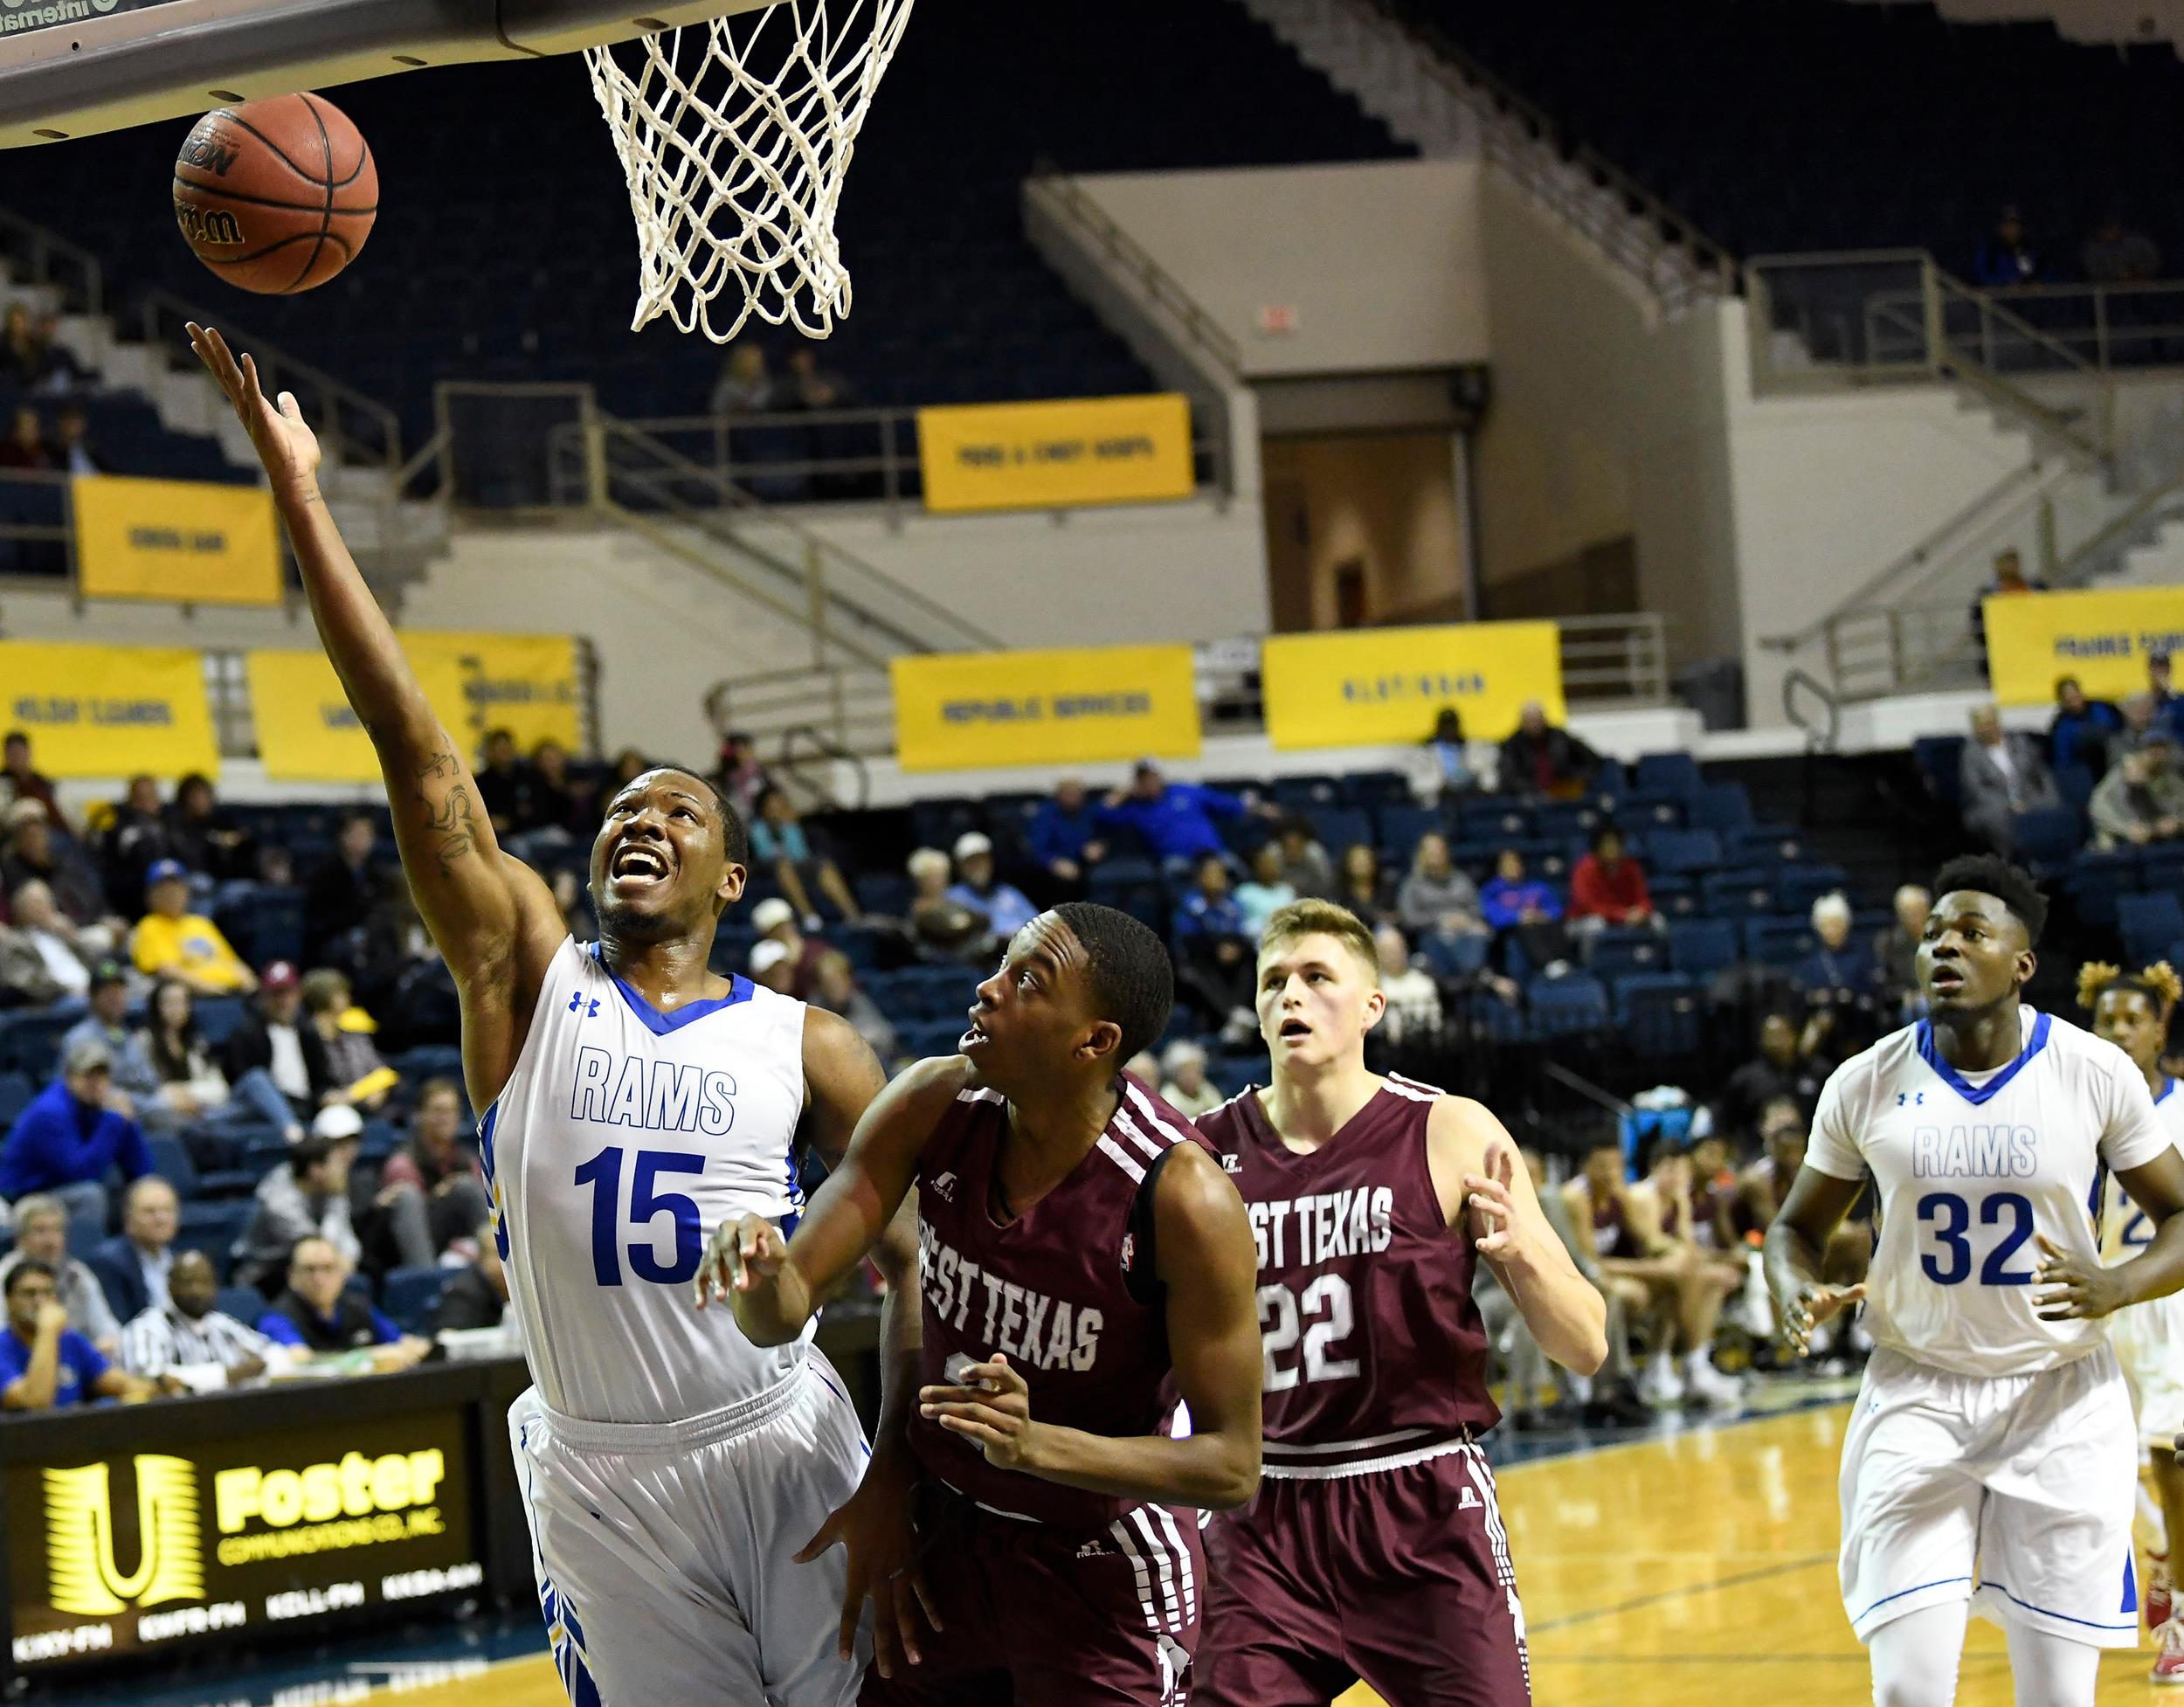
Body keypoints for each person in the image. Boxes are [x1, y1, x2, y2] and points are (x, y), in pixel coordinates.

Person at [192, 316, 909, 1706]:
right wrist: (301, 500)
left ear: (733, 872)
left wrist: (901, 1474)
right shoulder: (525, 974)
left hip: (787, 1437)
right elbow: (422, 759)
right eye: (622, 807)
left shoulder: (809, 1040)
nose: (641, 818)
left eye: (679, 809)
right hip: (603, 1478)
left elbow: (925, 1267)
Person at [700, 901, 1263, 1704]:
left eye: (1028, 981)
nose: (987, 988)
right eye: (1002, 963)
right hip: (945, 1547)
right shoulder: (933, 1100)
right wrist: (755, 1270)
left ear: (1094, 1043)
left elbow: (1233, 1464)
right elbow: (780, 1316)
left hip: (1100, 1569)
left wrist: (1036, 1445)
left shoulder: (1183, 1198)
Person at [1765, 855, 2184, 1707]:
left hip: (2058, 1395)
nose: (1943, 948)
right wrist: (1789, 1284)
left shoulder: (2090, 1071)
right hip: (1917, 1393)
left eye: (1969, 933)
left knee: (2057, 1698)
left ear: (2021, 964)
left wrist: (2118, 1282)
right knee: (1909, 1692)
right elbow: (1793, 1228)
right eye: (1931, 935)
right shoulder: (1866, 1079)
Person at [1185, 898, 1602, 1705]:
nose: (1291, 997)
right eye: (1274, 982)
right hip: (1263, 1514)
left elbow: (1585, 1344)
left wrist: (1523, 1261)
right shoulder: (1199, 1154)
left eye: (1316, 977)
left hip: (1420, 1499)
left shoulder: (1448, 1131)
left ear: (1373, 1005)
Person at [2077, 958, 2184, 1675]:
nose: (2116, 1032)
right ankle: (2161, 1554)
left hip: (2171, 1303)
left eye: (2130, 1020)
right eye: (2105, 1020)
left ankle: (2178, 1609)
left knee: (2171, 1461)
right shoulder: (2075, 1112)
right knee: (2101, 1468)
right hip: (2101, 1306)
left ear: (2159, 1029)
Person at [1563, 1136, 1742, 1407]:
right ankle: (1688, 1365)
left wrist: (1674, 1253)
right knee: (1666, 1281)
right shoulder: (1576, 1198)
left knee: (1687, 1280)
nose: (1612, 1172)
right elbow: (1589, 1262)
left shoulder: (1620, 1194)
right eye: (1604, 1166)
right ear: (1586, 1167)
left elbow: (1650, 1239)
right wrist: (1659, 1266)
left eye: (1617, 1165)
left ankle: (1677, 1366)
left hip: (1618, 1273)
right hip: (1581, 1277)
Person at [0, 1037, 153, 1234]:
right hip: (23, 1197)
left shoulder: (103, 1105)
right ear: (69, 1077)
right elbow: (79, 1172)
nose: (96, 1083)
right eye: (88, 1076)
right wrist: (113, 1121)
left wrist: (129, 1123)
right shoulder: (50, 1112)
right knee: (90, 1195)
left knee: (144, 1195)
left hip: (60, 1190)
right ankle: (88, 1254)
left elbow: (141, 1168)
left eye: (102, 1075)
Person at [138, 975, 297, 1137]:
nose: (177, 1008)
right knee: (154, 1107)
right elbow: (148, 1092)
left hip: (207, 1111)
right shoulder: (144, 1041)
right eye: (170, 1002)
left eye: (182, 1002)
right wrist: (172, 1096)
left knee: (254, 1092)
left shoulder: (197, 1042)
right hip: (168, 1112)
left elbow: (219, 1089)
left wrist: (186, 1092)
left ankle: (294, 1133)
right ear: (157, 1006)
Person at [255, 1234, 430, 1370]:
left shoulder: (358, 1306)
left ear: (342, 1274)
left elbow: (402, 1343)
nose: (319, 1278)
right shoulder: (276, 1318)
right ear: (292, 1275)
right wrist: (368, 1357)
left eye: (328, 1268)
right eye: (310, 1269)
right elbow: (302, 1363)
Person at [232, 1117, 363, 1294]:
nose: (343, 1169)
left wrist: (348, 1258)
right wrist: (339, 1261)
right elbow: (315, 1247)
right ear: (316, 1171)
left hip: (304, 1260)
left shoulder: (330, 1185)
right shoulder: (279, 1202)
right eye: (336, 1164)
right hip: (263, 1272)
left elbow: (346, 1236)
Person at [371, 1076, 492, 1270]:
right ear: (419, 1115)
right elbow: (410, 1217)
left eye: (451, 1111)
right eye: (438, 1111)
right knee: (408, 1196)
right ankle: (427, 1280)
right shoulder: (403, 1163)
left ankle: (494, 1268)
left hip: (456, 1244)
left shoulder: (467, 1160)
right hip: (402, 1250)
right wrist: (440, 1194)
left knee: (467, 1186)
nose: (446, 1118)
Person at [117, 1249, 280, 1392]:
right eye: (188, 1282)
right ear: (169, 1286)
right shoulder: (146, 1328)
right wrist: (228, 1375)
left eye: (205, 1282)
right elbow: (151, 1379)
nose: (197, 1291)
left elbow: (274, 1355)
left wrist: (264, 1363)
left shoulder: (221, 1324)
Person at [0, 1260, 156, 1408]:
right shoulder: (3, 1347)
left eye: (47, 1292)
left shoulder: (71, 1341)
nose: (40, 1301)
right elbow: (36, 1403)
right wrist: (47, 1331)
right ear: (8, 1300)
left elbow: (127, 1385)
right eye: (29, 1293)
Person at [0, 1193, 123, 1354]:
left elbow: (108, 1331)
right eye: (40, 1231)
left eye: (57, 1230)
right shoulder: (5, 1277)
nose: (50, 1241)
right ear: (20, 1238)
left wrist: (97, 1351)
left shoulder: (78, 1275)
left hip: (78, 1367)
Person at [218, 961, 326, 1137]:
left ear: (298, 995)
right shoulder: (246, 1032)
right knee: (257, 1079)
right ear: (263, 997)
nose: (283, 1001)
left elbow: (321, 1079)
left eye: (288, 994)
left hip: (305, 1106)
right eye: (276, 994)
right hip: (259, 1109)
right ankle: (294, 1133)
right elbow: (243, 1081)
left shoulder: (308, 1033)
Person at [1098, 761, 1260, 869]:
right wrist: (1123, 794)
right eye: (1144, 779)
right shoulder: (1137, 810)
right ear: (1137, 783)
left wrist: (1256, 807)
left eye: (1152, 776)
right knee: (1174, 869)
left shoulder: (1186, 791)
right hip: (1179, 862)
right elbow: (1104, 816)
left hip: (1212, 856)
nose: (1150, 782)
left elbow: (1227, 804)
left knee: (1236, 868)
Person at [131, 857, 258, 994]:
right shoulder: (150, 926)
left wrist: (250, 981)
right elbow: (166, 971)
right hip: (195, 999)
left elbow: (232, 962)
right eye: (164, 890)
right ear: (150, 896)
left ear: (186, 892)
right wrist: (209, 987)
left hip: (229, 994)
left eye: (176, 888)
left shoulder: (201, 923)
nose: (172, 895)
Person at [1711, 1011, 1833, 1149]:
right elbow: (1725, 1121)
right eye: (1770, 1035)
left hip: (1813, 1152)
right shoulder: (1746, 1078)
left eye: (1782, 1034)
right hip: (1757, 1155)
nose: (1777, 1041)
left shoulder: (1820, 1072)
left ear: (1795, 1035)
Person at [752, 785, 863, 925]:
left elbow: (800, 854)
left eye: (781, 803)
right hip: (770, 868)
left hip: (799, 864)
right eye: (773, 804)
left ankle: (853, 916)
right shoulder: (757, 829)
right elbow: (764, 855)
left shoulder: (792, 825)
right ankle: (810, 917)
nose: (778, 809)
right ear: (764, 809)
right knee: (783, 866)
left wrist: (788, 828)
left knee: (824, 866)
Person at [1171, 854, 1256, 1036]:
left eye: (1220, 875)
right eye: (1211, 874)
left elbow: (1241, 933)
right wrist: (1216, 949)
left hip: (1230, 959)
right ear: (1200, 878)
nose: (1217, 879)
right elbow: (1188, 939)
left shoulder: (1232, 904)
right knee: (1198, 969)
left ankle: (1239, 1014)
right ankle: (1232, 1016)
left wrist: (1235, 948)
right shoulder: (1190, 905)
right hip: (1200, 959)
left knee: (1250, 962)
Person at [1959, 705, 2061, 857]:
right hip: (1994, 805)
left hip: (2028, 797)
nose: (1989, 728)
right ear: (1976, 728)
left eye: (1991, 722)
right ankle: (2014, 859)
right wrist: (2010, 805)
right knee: (1998, 820)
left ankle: (2049, 856)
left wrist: (2050, 797)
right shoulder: (1971, 753)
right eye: (1983, 725)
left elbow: (2041, 772)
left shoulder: (2019, 741)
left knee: (2051, 806)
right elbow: (1977, 790)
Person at [3, 798, 112, 931]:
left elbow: (89, 897)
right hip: (47, 930)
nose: (34, 838)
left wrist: (104, 919)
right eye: (27, 833)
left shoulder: (63, 861)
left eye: (38, 830)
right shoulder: (11, 868)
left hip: (85, 923)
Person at [86, 1174, 179, 1328]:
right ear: (128, 1218)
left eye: (168, 1210)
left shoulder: (178, 1259)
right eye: (150, 1211)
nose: (160, 1219)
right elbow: (121, 1324)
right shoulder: (109, 1262)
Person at [301, 967, 397, 1112]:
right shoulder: (307, 1036)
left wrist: (377, 1091)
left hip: (365, 1103)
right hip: (329, 1107)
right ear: (326, 996)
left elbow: (380, 1070)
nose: (348, 999)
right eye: (342, 994)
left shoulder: (353, 1032)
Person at [303, 811, 382, 965]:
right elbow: (318, 918)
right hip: (332, 939)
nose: (363, 840)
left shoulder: (375, 874)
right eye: (357, 834)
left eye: (367, 835)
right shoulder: (326, 874)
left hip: (369, 936)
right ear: (343, 836)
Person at [1480, 847, 1570, 974]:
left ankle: (1563, 960)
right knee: (1526, 927)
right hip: (1513, 930)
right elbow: (1492, 914)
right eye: (1508, 863)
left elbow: (1556, 908)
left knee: (1556, 924)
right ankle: (1547, 964)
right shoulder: (1492, 889)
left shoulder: (1538, 886)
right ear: (1499, 867)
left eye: (1516, 862)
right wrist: (1518, 916)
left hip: (1543, 924)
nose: (1514, 866)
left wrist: (1543, 915)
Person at [2091, 734, 2184, 850]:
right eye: (2152, 748)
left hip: (2157, 837)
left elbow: (2177, 809)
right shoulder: (2123, 771)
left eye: (2161, 748)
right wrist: (2126, 829)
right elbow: (2097, 807)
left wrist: (2178, 823)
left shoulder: (2170, 776)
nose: (2157, 753)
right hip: (2121, 834)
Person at [945, 833, 1035, 949]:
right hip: (979, 961)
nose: (979, 866)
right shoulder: (953, 897)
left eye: (983, 860)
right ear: (960, 868)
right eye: (972, 862)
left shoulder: (1008, 893)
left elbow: (1037, 925)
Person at [1567, 823, 1655, 943]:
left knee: (1657, 922)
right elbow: (1588, 905)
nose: (1613, 848)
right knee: (1595, 925)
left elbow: (1643, 898)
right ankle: (1592, 961)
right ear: (1597, 848)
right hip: (1584, 920)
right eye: (1607, 844)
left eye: (1616, 843)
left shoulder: (1631, 867)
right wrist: (1622, 915)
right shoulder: (1584, 869)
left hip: (1627, 917)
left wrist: (1642, 911)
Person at [1793, 893, 1882, 1009]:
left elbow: (1872, 994)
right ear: (1818, 927)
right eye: (1826, 925)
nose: (1832, 930)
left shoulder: (1863, 959)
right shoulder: (1810, 965)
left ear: (1846, 924)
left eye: (1836, 924)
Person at [1395, 832, 1486, 944]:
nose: (1435, 853)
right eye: (1430, 850)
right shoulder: (1412, 883)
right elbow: (1409, 917)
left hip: (1466, 928)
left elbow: (1477, 906)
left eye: (1439, 849)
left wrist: (1464, 918)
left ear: (1446, 852)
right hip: (1431, 931)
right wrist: (1440, 920)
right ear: (1421, 854)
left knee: (1480, 933)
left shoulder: (1461, 879)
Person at [1497, 700, 1597, 801]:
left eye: (1537, 719)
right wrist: (1536, 792)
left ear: (1544, 719)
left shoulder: (1559, 738)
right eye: (1530, 720)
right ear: (1522, 722)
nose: (1535, 724)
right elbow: (1509, 777)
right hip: (1530, 801)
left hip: (1563, 796)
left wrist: (1577, 779)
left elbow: (1591, 760)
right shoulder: (1512, 745)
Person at [8, 879, 92, 999]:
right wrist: (68, 989)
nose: (42, 908)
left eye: (46, 901)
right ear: (20, 909)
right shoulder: (16, 941)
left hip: (90, 988)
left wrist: (72, 937)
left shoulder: (60, 932)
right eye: (36, 903)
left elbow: (91, 961)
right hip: (59, 997)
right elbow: (31, 983)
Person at [905, 847, 986, 961]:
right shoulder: (918, 910)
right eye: (932, 877)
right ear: (919, 880)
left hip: (963, 959)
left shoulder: (953, 903)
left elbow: (981, 921)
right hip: (932, 962)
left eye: (942, 875)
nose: (940, 881)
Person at [163, 772, 248, 881]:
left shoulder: (221, 821)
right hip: (190, 877)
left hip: (224, 881)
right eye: (195, 796)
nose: (201, 801)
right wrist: (213, 840)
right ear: (184, 799)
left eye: (205, 796)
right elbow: (188, 859)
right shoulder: (174, 825)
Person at [1028, 778, 1107, 894]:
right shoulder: (1046, 815)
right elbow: (1036, 849)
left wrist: (1098, 846)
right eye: (1069, 794)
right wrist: (1054, 862)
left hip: (1085, 864)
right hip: (1055, 866)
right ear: (1059, 795)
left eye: (1077, 794)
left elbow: (1102, 835)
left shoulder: (1088, 811)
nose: (1074, 798)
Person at [1372, 922, 1443, 1047]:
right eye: (1387, 951)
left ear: (1405, 950)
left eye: (1397, 949)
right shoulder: (1373, 988)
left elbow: (1435, 1026)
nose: (1393, 956)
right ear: (1378, 955)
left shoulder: (1424, 983)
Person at [435, 1218, 511, 1333]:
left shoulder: (523, 1288)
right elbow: (451, 1339)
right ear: (482, 1258)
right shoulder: (463, 1293)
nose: (508, 1261)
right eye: (498, 1254)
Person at [1874, 884, 1932, 1020]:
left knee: (1923, 1006)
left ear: (1928, 909)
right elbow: (1884, 981)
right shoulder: (1888, 943)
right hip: (1903, 1001)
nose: (1913, 916)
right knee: (1912, 1009)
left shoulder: (1941, 938)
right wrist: (1903, 994)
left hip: (1936, 996)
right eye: (1907, 911)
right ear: (1899, 914)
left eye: (1917, 910)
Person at [2049, 676, 2123, 782]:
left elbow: (2118, 731)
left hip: (2113, 765)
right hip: (2084, 775)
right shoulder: (2061, 726)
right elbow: (2063, 762)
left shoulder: (2101, 707)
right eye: (2068, 697)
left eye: (2075, 694)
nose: (2074, 699)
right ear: (2063, 701)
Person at [1232, 842, 1296, 940]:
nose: (1271, 867)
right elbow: (1240, 925)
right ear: (1255, 867)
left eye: (1273, 863)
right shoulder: (1244, 893)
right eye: (1265, 863)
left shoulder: (1287, 891)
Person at [2083, 208, 2161, 286]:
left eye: (2113, 226)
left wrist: (2137, 273)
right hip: (2108, 291)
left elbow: (2154, 262)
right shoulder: (2093, 250)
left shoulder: (2138, 243)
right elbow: (2094, 273)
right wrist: (2118, 276)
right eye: (2106, 228)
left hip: (2143, 287)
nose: (2110, 231)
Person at [0, 730, 61, 826]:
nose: (16, 758)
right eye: (12, 753)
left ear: (28, 753)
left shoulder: (41, 783)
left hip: (47, 831)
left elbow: (54, 815)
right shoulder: (3, 783)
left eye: (19, 752)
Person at [1971, 205, 2042, 286]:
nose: (2012, 231)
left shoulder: (2030, 250)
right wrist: (2006, 282)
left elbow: (2047, 276)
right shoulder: (1989, 251)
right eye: (2008, 226)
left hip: (2031, 297)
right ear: (2000, 228)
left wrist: (2037, 283)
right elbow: (1981, 277)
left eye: (2015, 226)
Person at [1268, 817, 1334, 901]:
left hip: (1312, 899)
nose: (1292, 852)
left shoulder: (1315, 855)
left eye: (1296, 847)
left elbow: (1326, 885)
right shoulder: (1272, 855)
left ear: (1305, 844)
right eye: (1288, 847)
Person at [1422, 704, 1481, 799]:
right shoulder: (1428, 748)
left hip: (1465, 790)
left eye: (1451, 725)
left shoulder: (1468, 745)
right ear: (1439, 727)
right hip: (1438, 791)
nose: (1449, 729)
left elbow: (1475, 771)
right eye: (1445, 726)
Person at [1329, 842, 1393, 924]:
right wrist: (1376, 916)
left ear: (1374, 863)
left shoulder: (1386, 887)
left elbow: (1394, 915)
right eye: (1357, 861)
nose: (1361, 864)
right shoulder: (1339, 891)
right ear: (1347, 865)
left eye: (1365, 860)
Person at [1158, 1039, 1222, 1120]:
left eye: (1196, 1070)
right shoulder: (1168, 1097)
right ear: (1175, 1074)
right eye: (1186, 1072)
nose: (1192, 1076)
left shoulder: (1208, 1090)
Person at [0, 404, 52, 471]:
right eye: (25, 425)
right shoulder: (4, 453)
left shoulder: (46, 453)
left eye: (33, 426)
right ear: (15, 429)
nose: (30, 431)